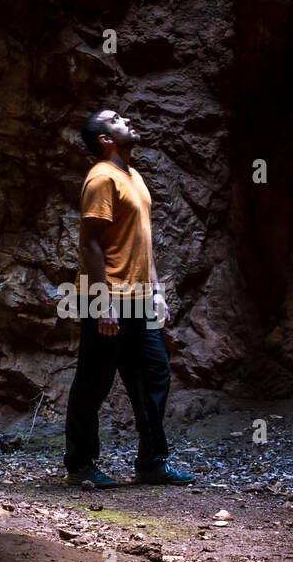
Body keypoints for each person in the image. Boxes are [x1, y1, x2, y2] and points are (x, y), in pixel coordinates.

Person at [63, 109, 195, 488]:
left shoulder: (132, 176)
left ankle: (152, 463)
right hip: (104, 296)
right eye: (117, 119)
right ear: (105, 139)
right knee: (94, 380)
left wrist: (156, 291)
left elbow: (142, 241)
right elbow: (89, 241)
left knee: (153, 375)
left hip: (138, 296)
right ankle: (80, 466)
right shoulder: (101, 178)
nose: (128, 121)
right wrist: (103, 302)